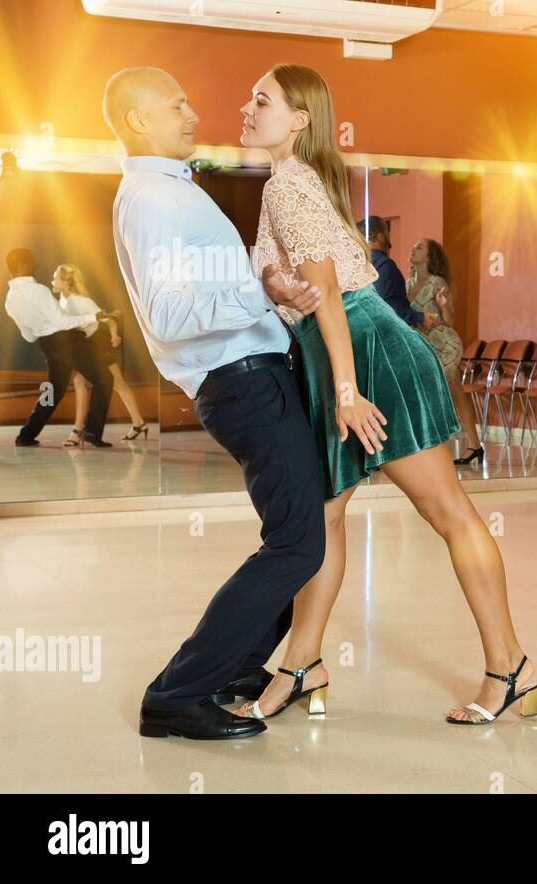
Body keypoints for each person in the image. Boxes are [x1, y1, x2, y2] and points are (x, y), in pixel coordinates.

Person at [240, 63, 536, 725]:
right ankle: (303, 663)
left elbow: (335, 302)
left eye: (262, 99)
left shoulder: (292, 185)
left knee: (447, 512)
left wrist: (347, 391)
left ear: (299, 118)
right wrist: (277, 285)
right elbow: (297, 284)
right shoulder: (286, 184)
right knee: (324, 519)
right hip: (342, 354)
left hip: (368, 353)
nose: (246, 107)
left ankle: (508, 666)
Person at [104, 66, 327, 740]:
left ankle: (230, 666)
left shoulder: (171, 191)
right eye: (178, 105)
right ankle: (177, 695)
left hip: (253, 373)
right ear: (140, 120)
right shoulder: (152, 198)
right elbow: (172, 314)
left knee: (298, 538)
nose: (194, 113)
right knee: (298, 544)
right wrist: (266, 292)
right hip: (242, 381)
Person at [3, 249, 114, 448]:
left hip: (48, 345)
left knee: (53, 392)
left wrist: (42, 329)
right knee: (104, 378)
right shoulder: (38, 290)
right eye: (33, 263)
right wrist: (93, 317)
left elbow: (28, 336)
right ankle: (91, 431)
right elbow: (61, 322)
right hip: (67, 342)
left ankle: (26, 435)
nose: (36, 266)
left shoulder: (10, 299)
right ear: (23, 266)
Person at [52, 263, 149, 443]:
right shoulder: (62, 301)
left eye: (56, 278)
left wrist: (113, 334)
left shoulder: (82, 301)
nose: (52, 281)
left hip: (99, 344)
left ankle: (77, 431)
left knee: (111, 383)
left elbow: (108, 320)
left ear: (66, 282)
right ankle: (139, 423)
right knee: (87, 381)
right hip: (87, 345)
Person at [407, 237, 483, 466]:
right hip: (422, 346)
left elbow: (450, 320)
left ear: (429, 257)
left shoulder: (437, 281)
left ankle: (435, 448)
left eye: (419, 247)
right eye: (413, 246)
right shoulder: (408, 283)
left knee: (443, 394)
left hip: (443, 345)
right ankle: (475, 446)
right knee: (457, 394)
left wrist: (441, 305)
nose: (413, 249)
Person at [359, 214, 418, 327]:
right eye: (386, 232)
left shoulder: (359, 263)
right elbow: (387, 306)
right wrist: (419, 317)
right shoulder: (385, 265)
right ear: (380, 236)